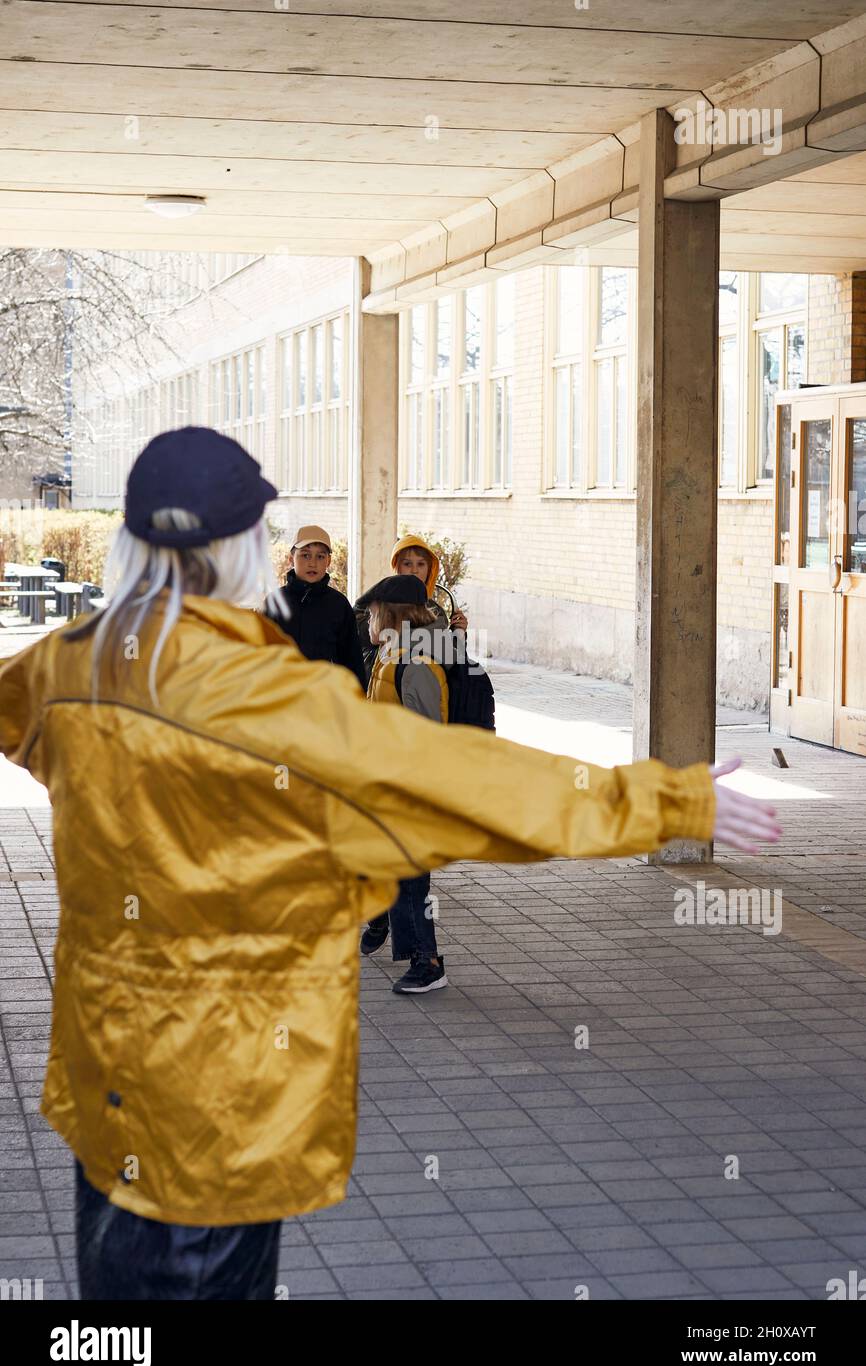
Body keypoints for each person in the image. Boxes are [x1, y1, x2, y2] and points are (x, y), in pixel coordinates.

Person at [0, 426, 779, 1301]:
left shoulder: (69, 667)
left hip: (103, 1081)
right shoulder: (270, 698)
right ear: (237, 548)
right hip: (221, 1102)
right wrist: (669, 803)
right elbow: (462, 782)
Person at [361, 574, 450, 992]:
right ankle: (387, 921)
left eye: (373, 613)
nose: (368, 620)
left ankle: (428, 964)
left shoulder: (415, 665)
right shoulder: (390, 656)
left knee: (413, 882)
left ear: (391, 615)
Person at [354, 533, 467, 686]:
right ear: (396, 567)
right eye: (407, 564)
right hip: (378, 685)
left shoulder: (436, 612)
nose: (414, 570)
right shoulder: (379, 605)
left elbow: (449, 659)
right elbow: (362, 637)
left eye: (421, 564)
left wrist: (459, 633)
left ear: (430, 569)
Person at [265, 524, 366, 691]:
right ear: (291, 559)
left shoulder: (339, 605)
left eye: (320, 557)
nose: (312, 563)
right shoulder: (275, 602)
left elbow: (352, 660)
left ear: (329, 561)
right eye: (305, 555)